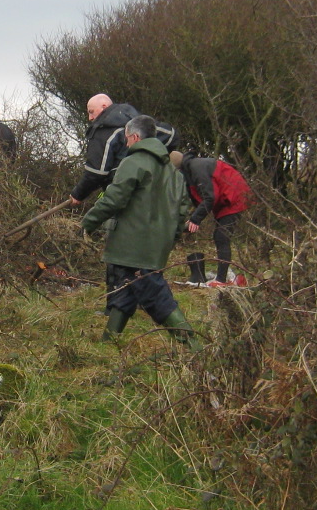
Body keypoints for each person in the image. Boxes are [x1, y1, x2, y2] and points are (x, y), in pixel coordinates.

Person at [79, 115, 197, 344]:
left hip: (133, 245)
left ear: (134, 136)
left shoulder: (133, 162)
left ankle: (194, 345)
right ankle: (108, 342)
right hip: (156, 245)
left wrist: (87, 223)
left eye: (126, 139)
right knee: (125, 291)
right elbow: (183, 209)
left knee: (155, 296)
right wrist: (170, 240)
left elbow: (114, 199)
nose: (125, 144)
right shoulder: (174, 172)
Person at [66, 94, 179, 205]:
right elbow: (172, 136)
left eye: (91, 112)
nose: (90, 118)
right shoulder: (139, 122)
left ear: (104, 107)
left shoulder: (102, 132)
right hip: (152, 189)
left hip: (120, 193)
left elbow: (96, 172)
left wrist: (78, 194)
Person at [175, 152, 253, 286]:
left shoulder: (196, 168)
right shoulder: (188, 174)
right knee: (220, 235)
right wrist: (187, 220)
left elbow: (210, 197)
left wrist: (195, 219)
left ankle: (221, 280)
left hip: (234, 197)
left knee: (221, 236)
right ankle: (221, 276)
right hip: (224, 200)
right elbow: (196, 200)